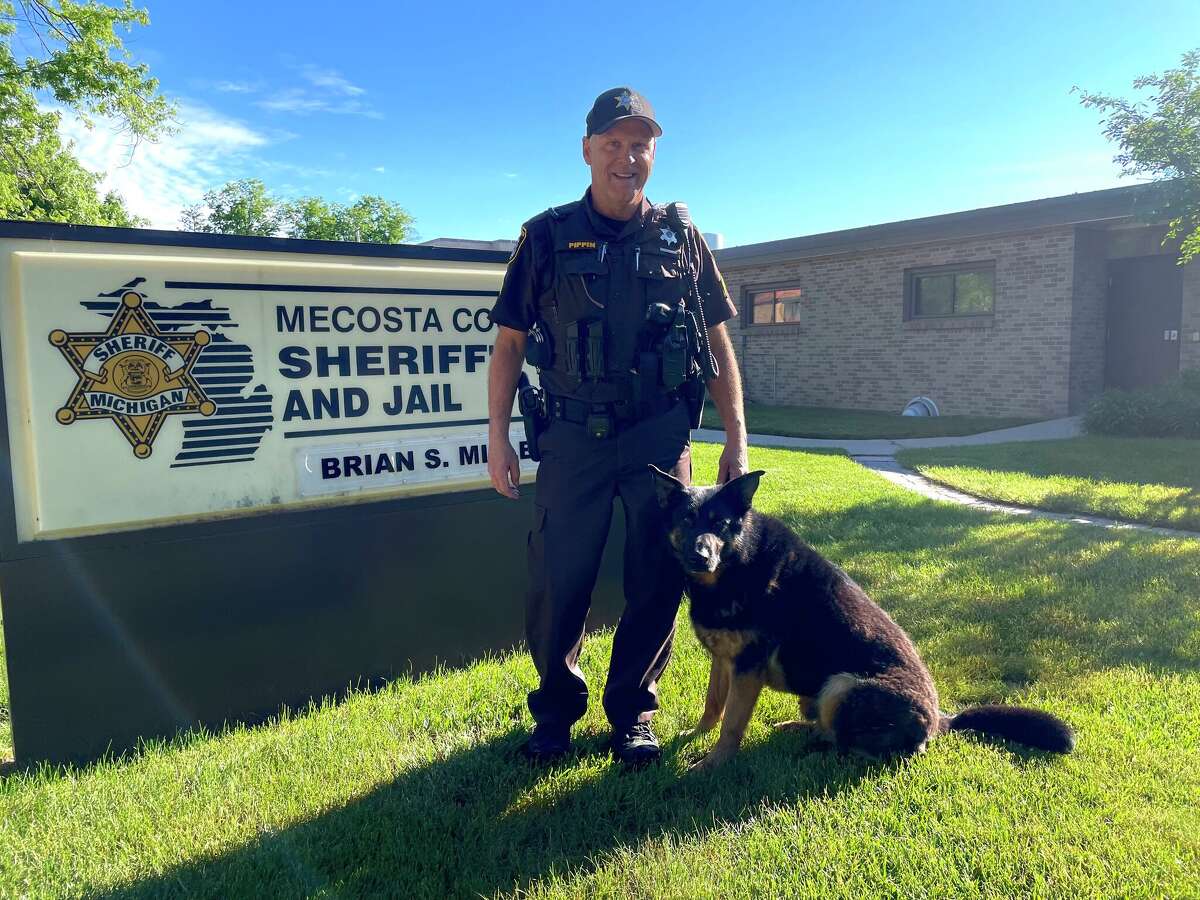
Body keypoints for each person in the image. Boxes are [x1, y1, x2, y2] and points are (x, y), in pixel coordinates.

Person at [486, 86, 748, 766]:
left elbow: (716, 344)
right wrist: (495, 437)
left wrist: (736, 440)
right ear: (587, 150)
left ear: (652, 154)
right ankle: (555, 715)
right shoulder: (544, 235)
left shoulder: (681, 237)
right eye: (613, 144)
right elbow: (510, 344)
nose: (626, 157)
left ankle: (633, 713)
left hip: (660, 439)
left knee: (657, 581)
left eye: (640, 145)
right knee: (558, 581)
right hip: (573, 438)